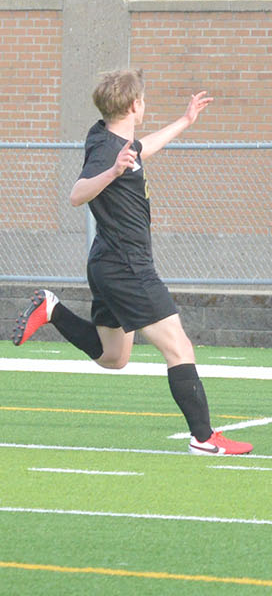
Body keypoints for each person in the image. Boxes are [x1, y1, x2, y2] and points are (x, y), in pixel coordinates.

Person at [11, 69, 251, 455]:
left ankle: (52, 309)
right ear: (135, 105)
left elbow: (140, 149)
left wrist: (185, 121)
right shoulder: (110, 152)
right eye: (144, 99)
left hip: (108, 262)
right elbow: (76, 195)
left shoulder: (110, 136)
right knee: (179, 349)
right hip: (127, 267)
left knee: (114, 356)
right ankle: (204, 439)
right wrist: (112, 171)